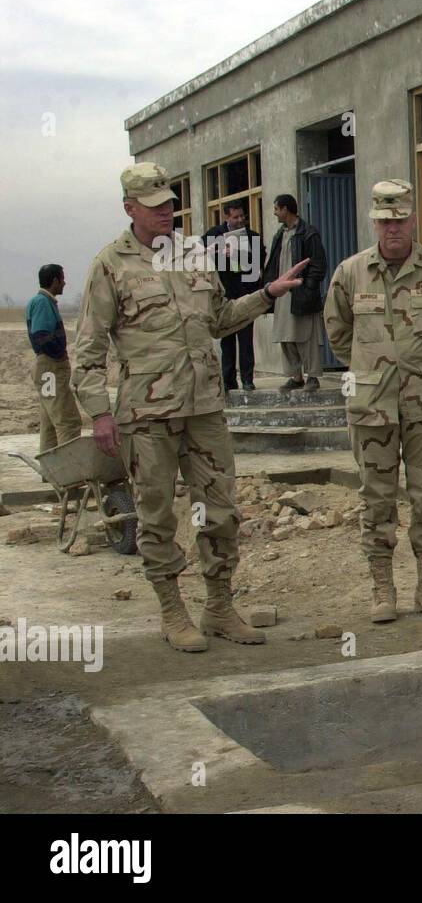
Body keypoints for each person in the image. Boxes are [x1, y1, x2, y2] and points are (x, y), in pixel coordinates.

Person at [73, 162, 307, 653]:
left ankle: (219, 606)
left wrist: (266, 295)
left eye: (170, 205)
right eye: (155, 207)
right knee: (157, 518)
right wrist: (99, 413)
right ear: (130, 208)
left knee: (221, 512)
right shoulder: (110, 265)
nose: (166, 214)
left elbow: (219, 320)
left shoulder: (194, 255)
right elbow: (89, 352)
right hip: (147, 416)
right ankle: (172, 611)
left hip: (204, 409)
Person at [324, 180, 422, 623]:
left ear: (413, 219)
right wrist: (371, 367)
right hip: (371, 407)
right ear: (373, 221)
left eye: (399, 220)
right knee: (376, 499)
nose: (392, 229)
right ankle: (383, 588)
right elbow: (338, 332)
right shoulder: (351, 273)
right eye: (384, 221)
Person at [263, 194, 327, 391]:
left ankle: (313, 377)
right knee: (285, 336)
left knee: (306, 336)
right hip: (283, 295)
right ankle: (296, 376)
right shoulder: (280, 234)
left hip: (301, 294)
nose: (274, 213)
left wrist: (308, 287)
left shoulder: (308, 233)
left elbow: (318, 264)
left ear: (285, 209)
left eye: (276, 209)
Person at [203, 200, 265, 392]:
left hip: (246, 294)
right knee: (227, 339)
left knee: (246, 340)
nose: (240, 220)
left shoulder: (252, 236)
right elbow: (200, 255)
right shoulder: (214, 235)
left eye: (242, 216)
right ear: (226, 217)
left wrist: (239, 253)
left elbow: (260, 260)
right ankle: (229, 380)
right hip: (225, 296)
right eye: (235, 217)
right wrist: (219, 253)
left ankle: (248, 379)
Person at [25, 263, 83, 451]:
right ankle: (69, 473)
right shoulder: (43, 302)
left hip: (47, 368)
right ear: (55, 281)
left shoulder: (40, 301)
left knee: (50, 422)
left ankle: (50, 471)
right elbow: (41, 336)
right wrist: (58, 356)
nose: (65, 283)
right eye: (63, 279)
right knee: (68, 421)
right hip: (51, 368)